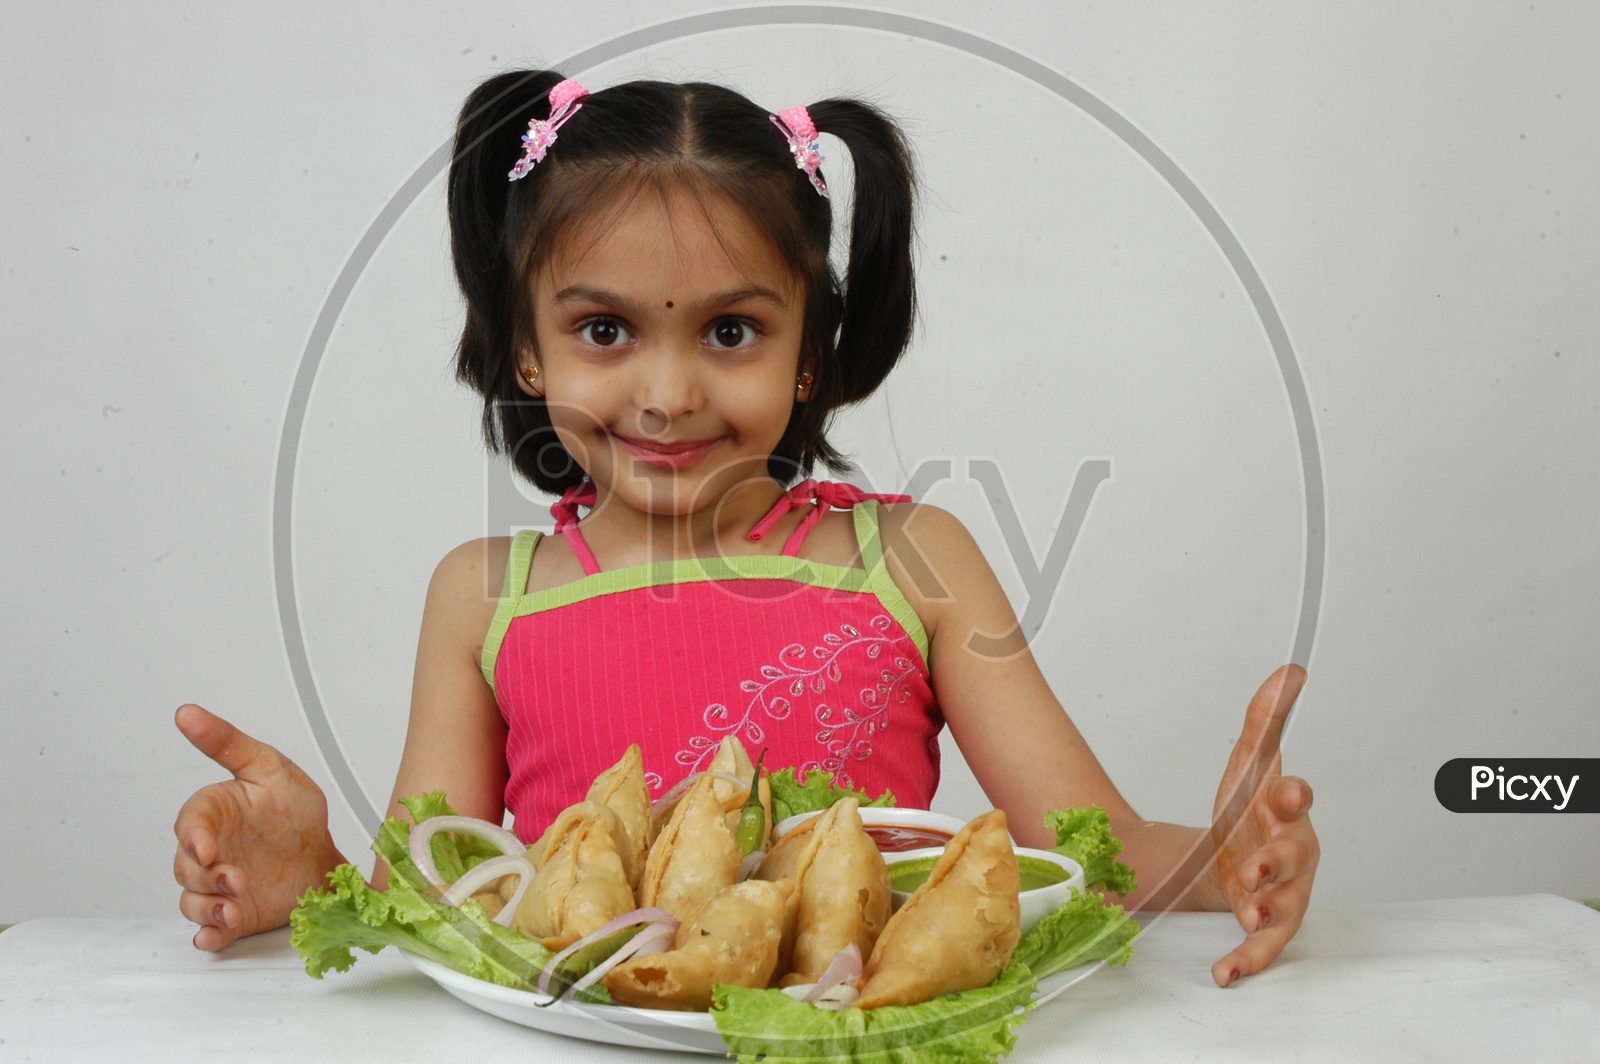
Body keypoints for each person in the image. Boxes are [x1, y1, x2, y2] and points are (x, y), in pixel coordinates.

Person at [172, 70, 1318, 989]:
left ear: (810, 348)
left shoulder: (913, 560)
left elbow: (1095, 852)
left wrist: (1229, 855)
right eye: (604, 330)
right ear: (526, 348)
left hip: (846, 1018)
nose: (667, 393)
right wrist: (310, 875)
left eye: (730, 332)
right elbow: (441, 892)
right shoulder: (483, 592)